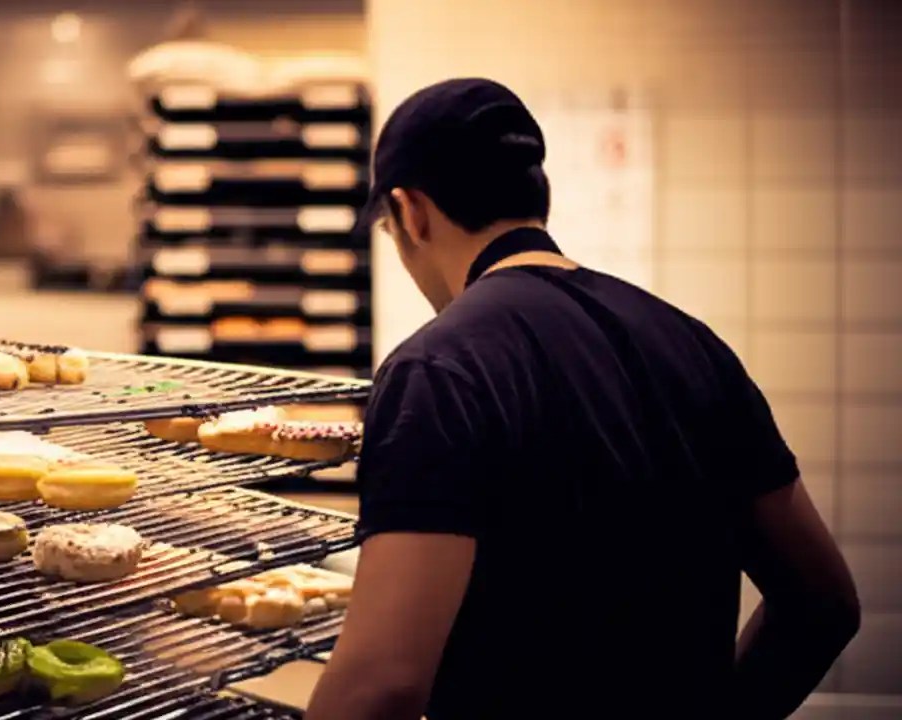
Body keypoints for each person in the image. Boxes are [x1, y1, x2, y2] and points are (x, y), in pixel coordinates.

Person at [305, 79, 859, 720]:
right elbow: (823, 606)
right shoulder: (692, 344)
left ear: (410, 212)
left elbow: (383, 684)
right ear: (537, 196)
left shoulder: (440, 368)